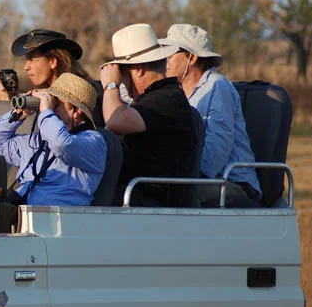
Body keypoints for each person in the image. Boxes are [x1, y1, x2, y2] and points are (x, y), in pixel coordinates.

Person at [161, 23, 261, 207]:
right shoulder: (176, 92)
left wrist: (185, 177)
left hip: (232, 183)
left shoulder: (217, 86)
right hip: (200, 180)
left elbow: (217, 147)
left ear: (191, 58)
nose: (164, 59)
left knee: (175, 196)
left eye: (170, 53)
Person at [99, 23, 196, 206]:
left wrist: (110, 85)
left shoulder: (167, 99)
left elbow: (115, 121)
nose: (121, 81)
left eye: (122, 72)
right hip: (139, 198)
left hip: (153, 204)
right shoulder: (156, 98)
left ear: (139, 69)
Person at [0, 72, 107, 206]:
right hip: (24, 211)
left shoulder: (93, 141)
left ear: (76, 112)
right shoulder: (37, 141)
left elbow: (61, 144)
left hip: (61, 215)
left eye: (57, 103)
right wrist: (19, 114)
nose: (51, 106)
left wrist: (47, 111)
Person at [0, 28, 104, 127]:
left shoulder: (87, 98)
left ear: (52, 62)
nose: (26, 67)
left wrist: (5, 105)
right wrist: (14, 102)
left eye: (32, 59)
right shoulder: (45, 95)